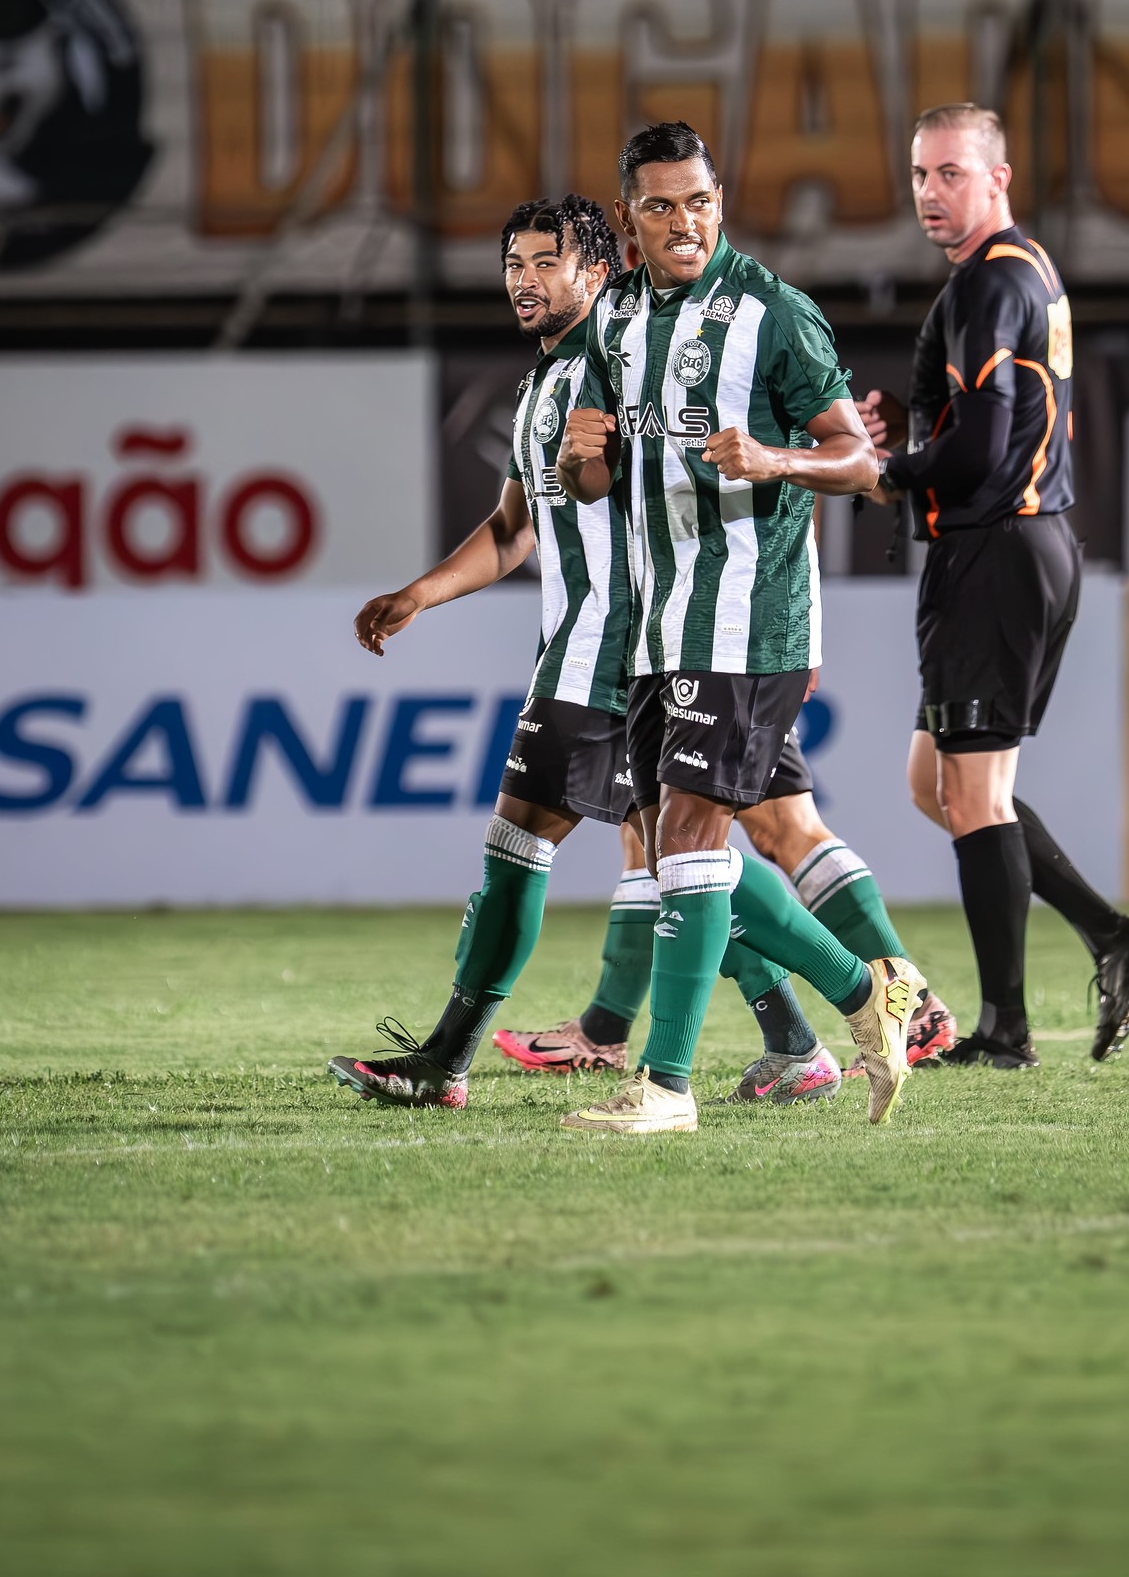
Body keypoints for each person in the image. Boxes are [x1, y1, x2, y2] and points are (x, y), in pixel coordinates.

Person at [326, 195, 869, 1110]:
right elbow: (511, 530)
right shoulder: (547, 382)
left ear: (597, 270)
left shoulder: (621, 367)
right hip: (594, 650)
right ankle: (824, 1024)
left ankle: (447, 1060)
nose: (525, 281)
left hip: (622, 652)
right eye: (514, 264)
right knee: (688, 865)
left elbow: (700, 493)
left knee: (533, 843)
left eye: (548, 263)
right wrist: (418, 593)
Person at [555, 120, 926, 1134]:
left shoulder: (773, 312)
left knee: (685, 835)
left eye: (702, 200)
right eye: (663, 204)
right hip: (654, 621)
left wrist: (775, 458)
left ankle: (666, 1085)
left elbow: (862, 463)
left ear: (722, 200)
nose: (686, 222)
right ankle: (868, 990)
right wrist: (576, 460)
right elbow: (595, 471)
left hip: (748, 617)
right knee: (686, 844)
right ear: (628, 214)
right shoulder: (618, 314)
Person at [857, 104, 1129, 1070]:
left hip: (998, 552)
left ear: (998, 178)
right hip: (1013, 549)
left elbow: (985, 449)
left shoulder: (992, 282)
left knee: (974, 794)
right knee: (937, 785)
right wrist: (918, 423)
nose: (930, 194)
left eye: (950, 173)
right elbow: (990, 424)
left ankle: (1006, 1032)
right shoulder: (1014, 273)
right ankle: (1110, 934)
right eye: (918, 176)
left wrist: (889, 470)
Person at [493, 725, 958, 1093]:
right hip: (723, 650)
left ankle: (884, 1011)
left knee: (682, 838)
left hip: (707, 659)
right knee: (704, 832)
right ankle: (866, 1020)